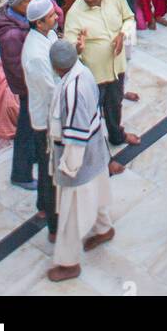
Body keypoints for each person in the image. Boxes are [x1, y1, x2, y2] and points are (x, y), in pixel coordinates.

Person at [47, 39, 114, 282]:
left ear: (56, 67)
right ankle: (104, 228)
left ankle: (68, 263)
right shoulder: (82, 71)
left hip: (81, 160)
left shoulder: (72, 89)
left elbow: (75, 136)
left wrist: (68, 168)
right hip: (95, 150)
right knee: (99, 194)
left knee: (71, 216)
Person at [64, 0, 139, 162]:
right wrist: (78, 49)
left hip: (116, 68)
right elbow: (69, 49)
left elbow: (129, 18)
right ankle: (101, 158)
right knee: (92, 118)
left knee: (115, 105)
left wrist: (123, 34)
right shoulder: (75, 14)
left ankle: (117, 135)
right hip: (93, 77)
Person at [0, 0, 37, 191]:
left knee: (33, 125)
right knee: (26, 129)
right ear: (17, 3)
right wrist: (29, 89)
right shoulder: (11, 35)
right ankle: (21, 173)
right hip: (28, 86)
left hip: (32, 83)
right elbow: (15, 68)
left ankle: (33, 156)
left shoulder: (20, 19)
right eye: (28, 0)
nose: (32, 2)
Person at [21, 0, 59, 240]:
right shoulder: (34, 53)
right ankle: (53, 224)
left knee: (49, 167)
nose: (57, 18)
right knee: (49, 169)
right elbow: (50, 89)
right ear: (39, 23)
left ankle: (43, 205)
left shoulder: (50, 35)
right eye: (52, 16)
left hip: (53, 111)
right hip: (45, 116)